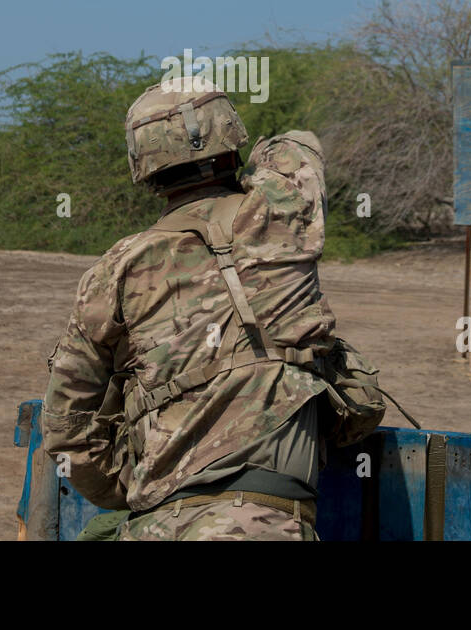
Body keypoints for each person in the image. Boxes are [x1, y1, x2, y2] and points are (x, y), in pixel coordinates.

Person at [42, 79, 359, 541]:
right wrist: (249, 174)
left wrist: (135, 489)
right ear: (232, 142)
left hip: (154, 524)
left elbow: (68, 428)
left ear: (144, 169)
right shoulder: (282, 210)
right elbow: (299, 146)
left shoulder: (116, 268)